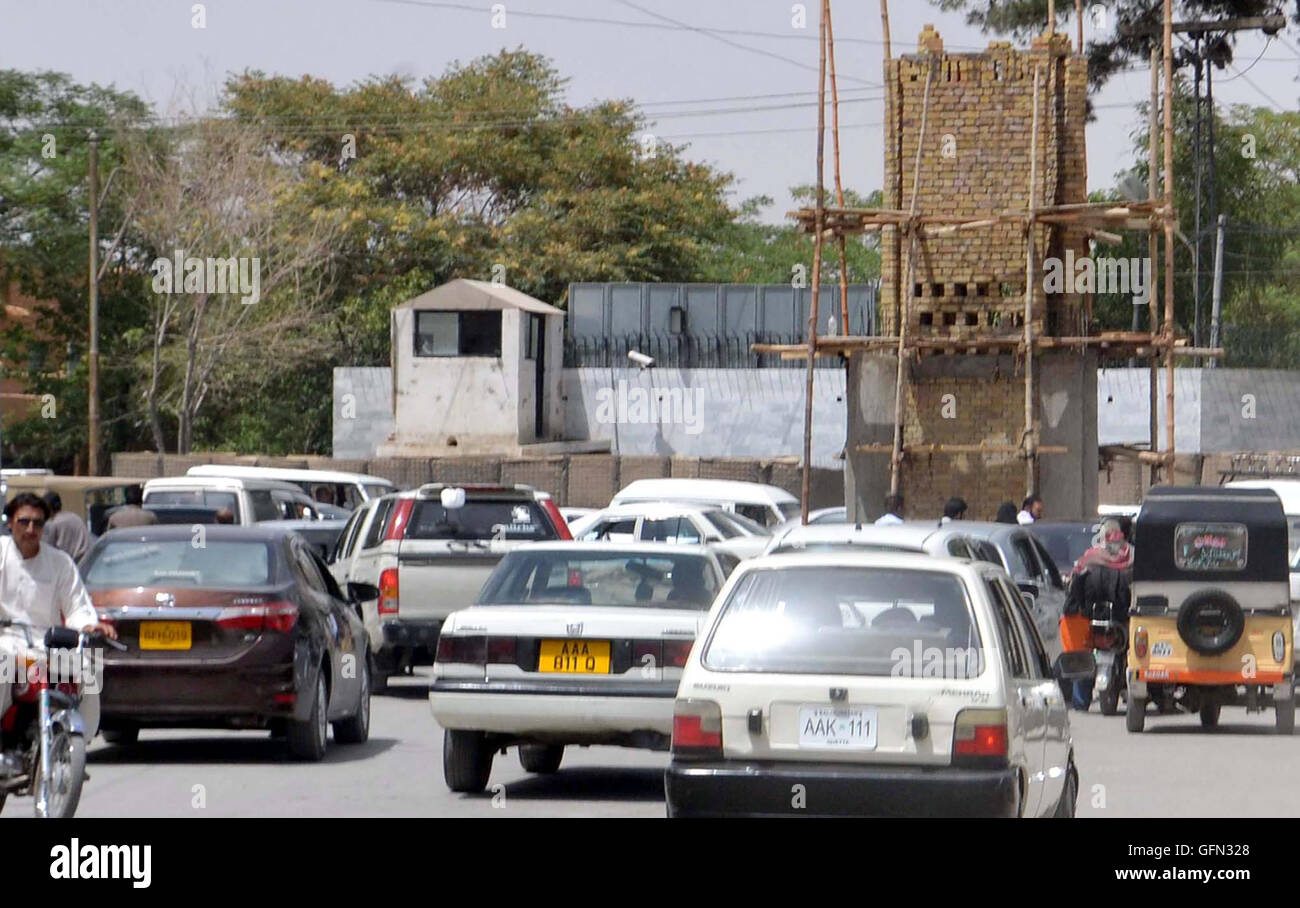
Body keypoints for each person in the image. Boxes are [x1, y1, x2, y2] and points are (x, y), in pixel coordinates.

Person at [0, 494, 117, 771]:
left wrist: (89, 625)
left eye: (37, 523)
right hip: (5, 641)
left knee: (88, 666)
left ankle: (76, 741)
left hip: (45, 645)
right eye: (24, 522)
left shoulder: (60, 562)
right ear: (10, 522)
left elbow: (76, 604)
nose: (30, 530)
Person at [1061, 518, 1133, 712]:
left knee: (1081, 657)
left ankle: (1080, 701)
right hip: (1118, 617)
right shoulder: (1130, 556)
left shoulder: (1090, 557)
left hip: (1090, 616)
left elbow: (1074, 582)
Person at [42, 491, 89, 563]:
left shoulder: (54, 524)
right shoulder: (75, 517)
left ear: (49, 507)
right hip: (85, 561)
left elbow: (48, 548)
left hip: (68, 563)